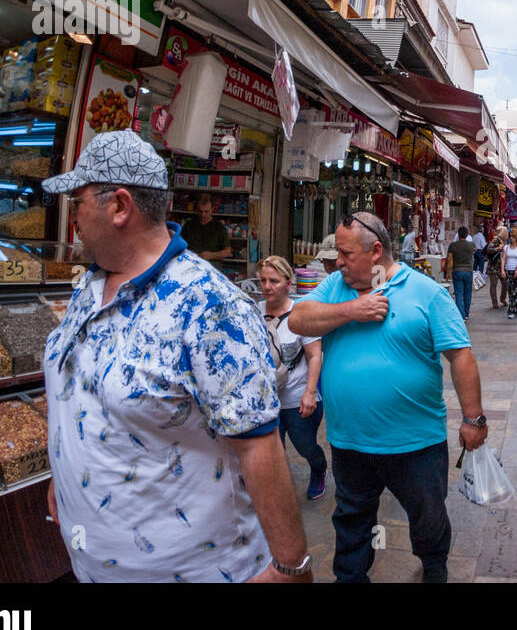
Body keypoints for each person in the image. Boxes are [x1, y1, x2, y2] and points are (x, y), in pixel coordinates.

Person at [41, 131, 309, 583]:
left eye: (78, 199)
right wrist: (68, 470)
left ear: (119, 206)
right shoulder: (91, 283)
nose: (72, 218)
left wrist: (290, 566)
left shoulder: (209, 307)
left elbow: (259, 445)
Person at [288, 211, 487, 583]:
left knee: (428, 516)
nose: (339, 261)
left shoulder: (425, 293)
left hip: (415, 444)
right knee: (351, 519)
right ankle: (350, 577)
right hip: (350, 442)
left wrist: (473, 418)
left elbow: (461, 356)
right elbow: (298, 319)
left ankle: (433, 567)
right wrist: (351, 311)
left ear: (376, 251)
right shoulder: (336, 287)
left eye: (346, 254)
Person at [258, 255, 327, 500]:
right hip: (268, 400)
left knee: (305, 446)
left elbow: (315, 356)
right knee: (272, 449)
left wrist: (310, 393)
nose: (267, 286)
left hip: (298, 398)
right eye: (264, 280)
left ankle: (319, 469)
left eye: (274, 281)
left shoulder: (301, 314)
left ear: (288, 283)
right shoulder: (255, 312)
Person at [179, 192, 232, 267]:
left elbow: (227, 252)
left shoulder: (219, 227)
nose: (203, 215)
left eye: (206, 211)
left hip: (211, 267)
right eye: (200, 211)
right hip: (191, 266)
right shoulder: (189, 225)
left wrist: (211, 255)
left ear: (212, 209)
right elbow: (180, 246)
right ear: (197, 209)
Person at [445, 226, 476, 319]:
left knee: (458, 293)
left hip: (457, 271)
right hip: (468, 271)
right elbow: (475, 250)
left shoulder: (453, 246)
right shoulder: (471, 245)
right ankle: (466, 313)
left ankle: (461, 314)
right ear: (467, 235)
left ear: (458, 234)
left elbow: (449, 260)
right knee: (468, 292)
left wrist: (448, 272)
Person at [501, 227, 517, 319]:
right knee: (510, 289)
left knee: (514, 290)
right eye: (510, 236)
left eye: (513, 236)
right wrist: (502, 270)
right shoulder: (506, 247)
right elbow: (503, 259)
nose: (511, 238)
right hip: (508, 270)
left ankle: (512, 310)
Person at [486, 226, 507, 308]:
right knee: (493, 284)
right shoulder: (496, 240)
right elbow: (489, 249)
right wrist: (498, 248)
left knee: (505, 283)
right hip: (493, 266)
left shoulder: (502, 241)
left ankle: (502, 298)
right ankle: (495, 302)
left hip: (500, 266)